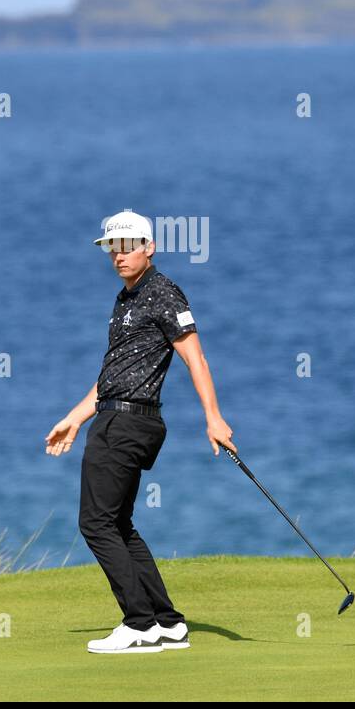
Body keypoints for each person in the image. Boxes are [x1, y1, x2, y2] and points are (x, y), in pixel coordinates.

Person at [45, 209, 236, 653]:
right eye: (113, 247)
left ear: (150, 248)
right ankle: (166, 622)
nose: (120, 255)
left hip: (129, 423)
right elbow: (116, 374)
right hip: (120, 416)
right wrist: (75, 417)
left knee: (94, 523)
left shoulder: (164, 293)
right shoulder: (125, 299)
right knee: (118, 522)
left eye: (129, 246)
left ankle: (138, 623)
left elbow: (196, 358)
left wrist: (213, 416)